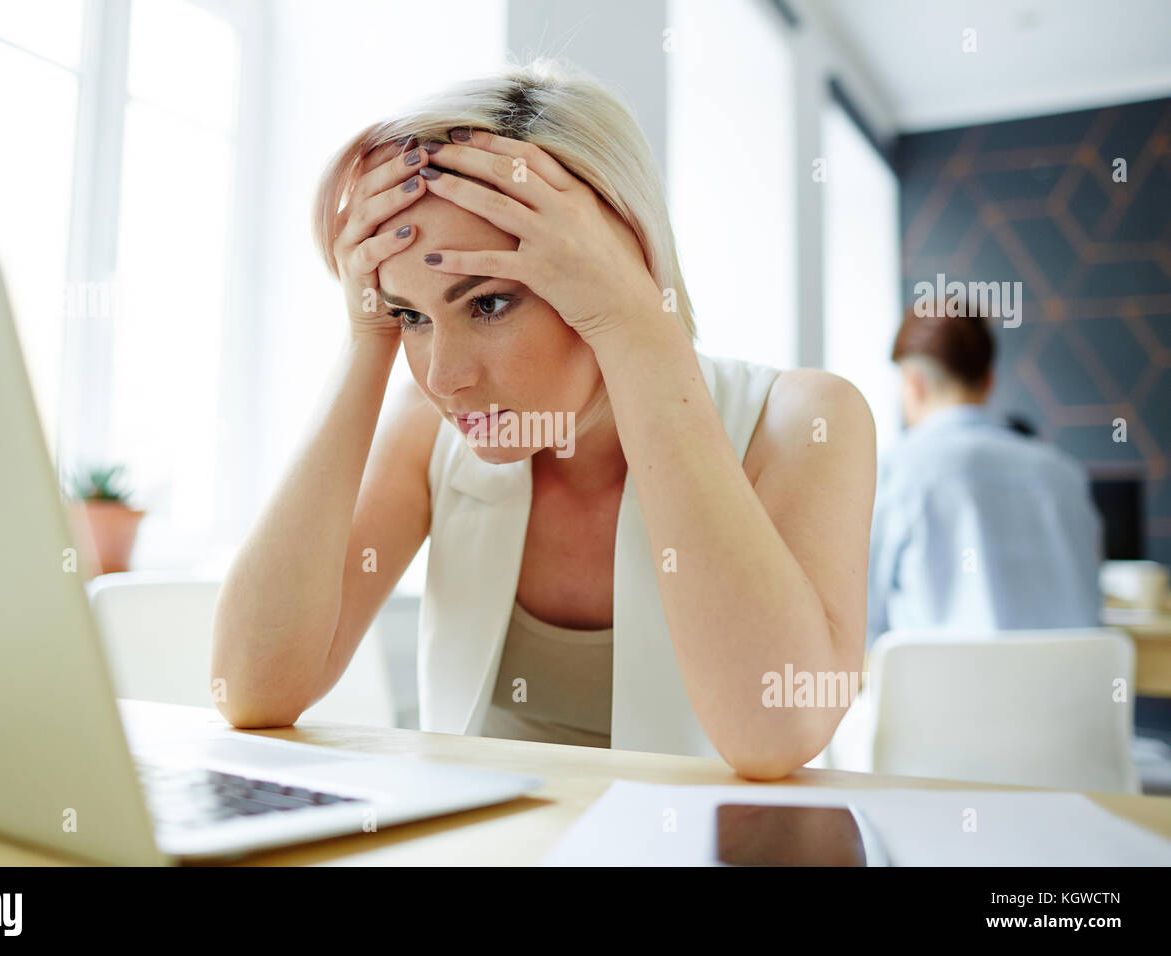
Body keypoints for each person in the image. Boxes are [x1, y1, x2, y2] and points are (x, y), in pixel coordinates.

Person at [211, 60, 876, 779]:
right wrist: (366, 338)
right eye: (412, 315)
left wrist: (633, 324)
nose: (444, 377)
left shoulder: (807, 421)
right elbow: (250, 690)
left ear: (614, 258)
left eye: (488, 303)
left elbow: (773, 733)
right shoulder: (421, 428)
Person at [866, 306, 1103, 646]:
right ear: (989, 381)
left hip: (941, 697)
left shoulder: (893, 472)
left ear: (913, 385)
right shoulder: (1064, 475)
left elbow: (858, 626)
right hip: (1076, 698)